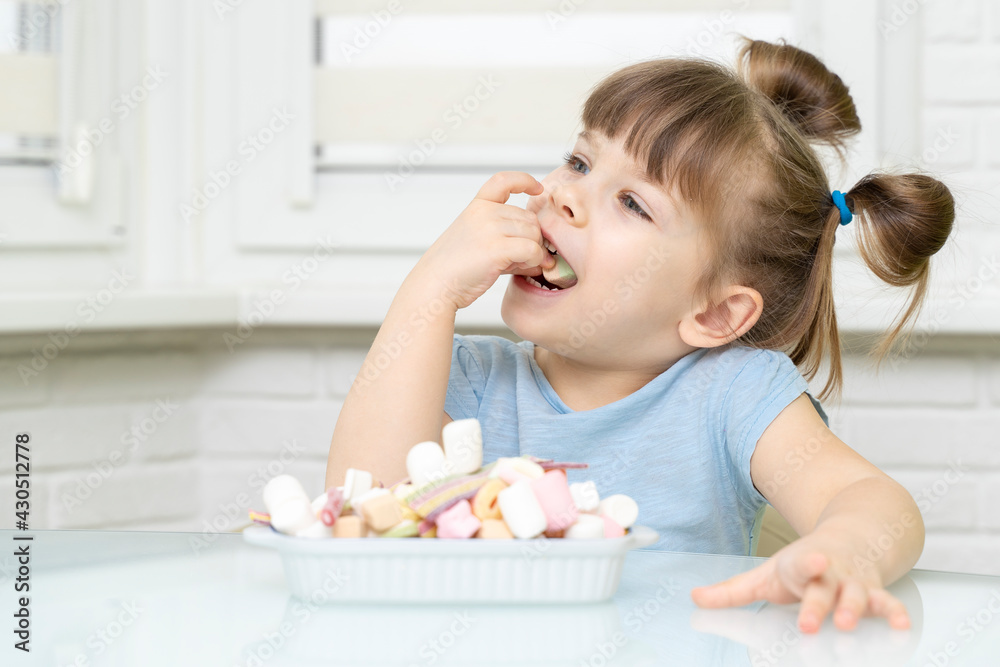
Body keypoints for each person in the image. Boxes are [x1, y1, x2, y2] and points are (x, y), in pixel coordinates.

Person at [326, 37, 955, 633]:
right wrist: (429, 289)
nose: (565, 194)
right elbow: (363, 507)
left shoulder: (730, 395)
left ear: (714, 315)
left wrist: (842, 552)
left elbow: (872, 499)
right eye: (579, 160)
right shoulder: (462, 376)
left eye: (633, 203)